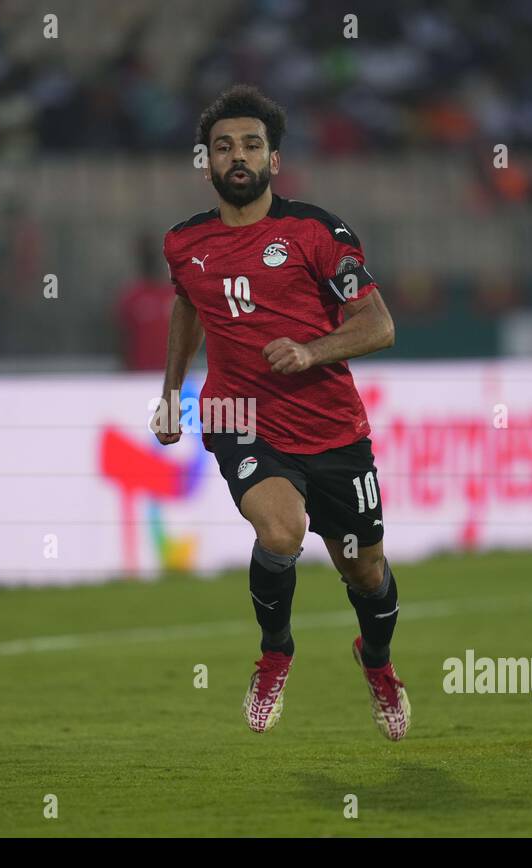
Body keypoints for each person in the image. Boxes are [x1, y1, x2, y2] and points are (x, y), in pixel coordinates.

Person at [154, 85, 409, 740]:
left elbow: (378, 325)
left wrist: (311, 349)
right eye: (222, 147)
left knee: (367, 571)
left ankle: (376, 662)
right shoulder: (184, 243)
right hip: (240, 414)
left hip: (330, 428)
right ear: (206, 162)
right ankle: (276, 653)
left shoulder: (316, 233)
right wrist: (171, 392)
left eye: (250, 145)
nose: (236, 156)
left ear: (273, 160)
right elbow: (188, 305)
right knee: (279, 534)